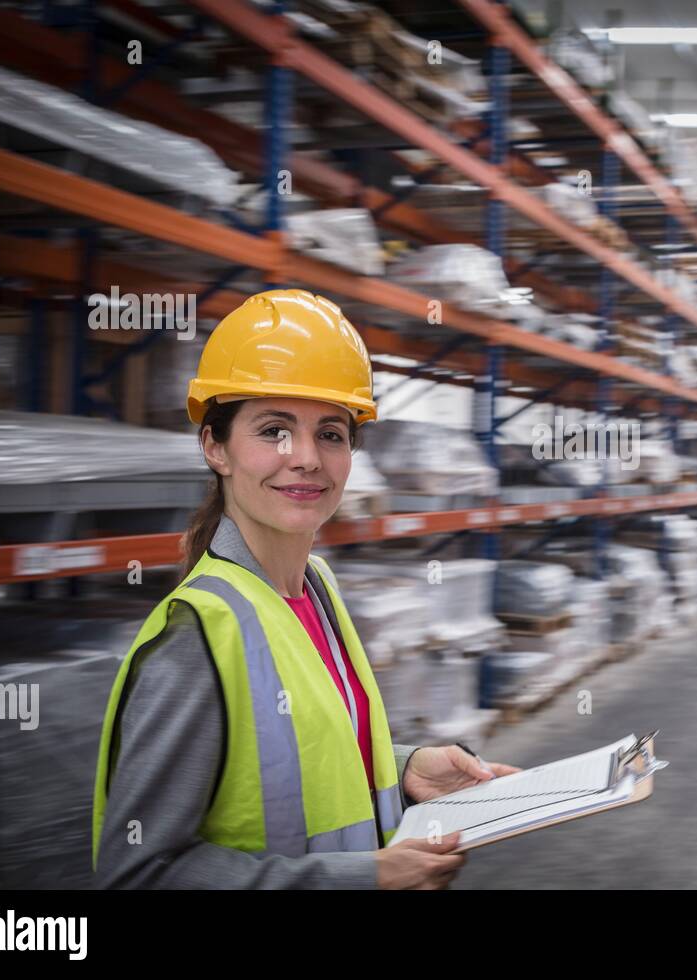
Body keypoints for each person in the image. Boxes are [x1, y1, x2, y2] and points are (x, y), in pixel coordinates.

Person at [91, 289, 519, 889]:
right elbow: (139, 873)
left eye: (332, 434)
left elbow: (300, 761)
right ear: (215, 447)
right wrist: (358, 878)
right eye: (273, 430)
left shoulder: (318, 588)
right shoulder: (198, 635)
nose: (307, 458)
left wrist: (405, 770)